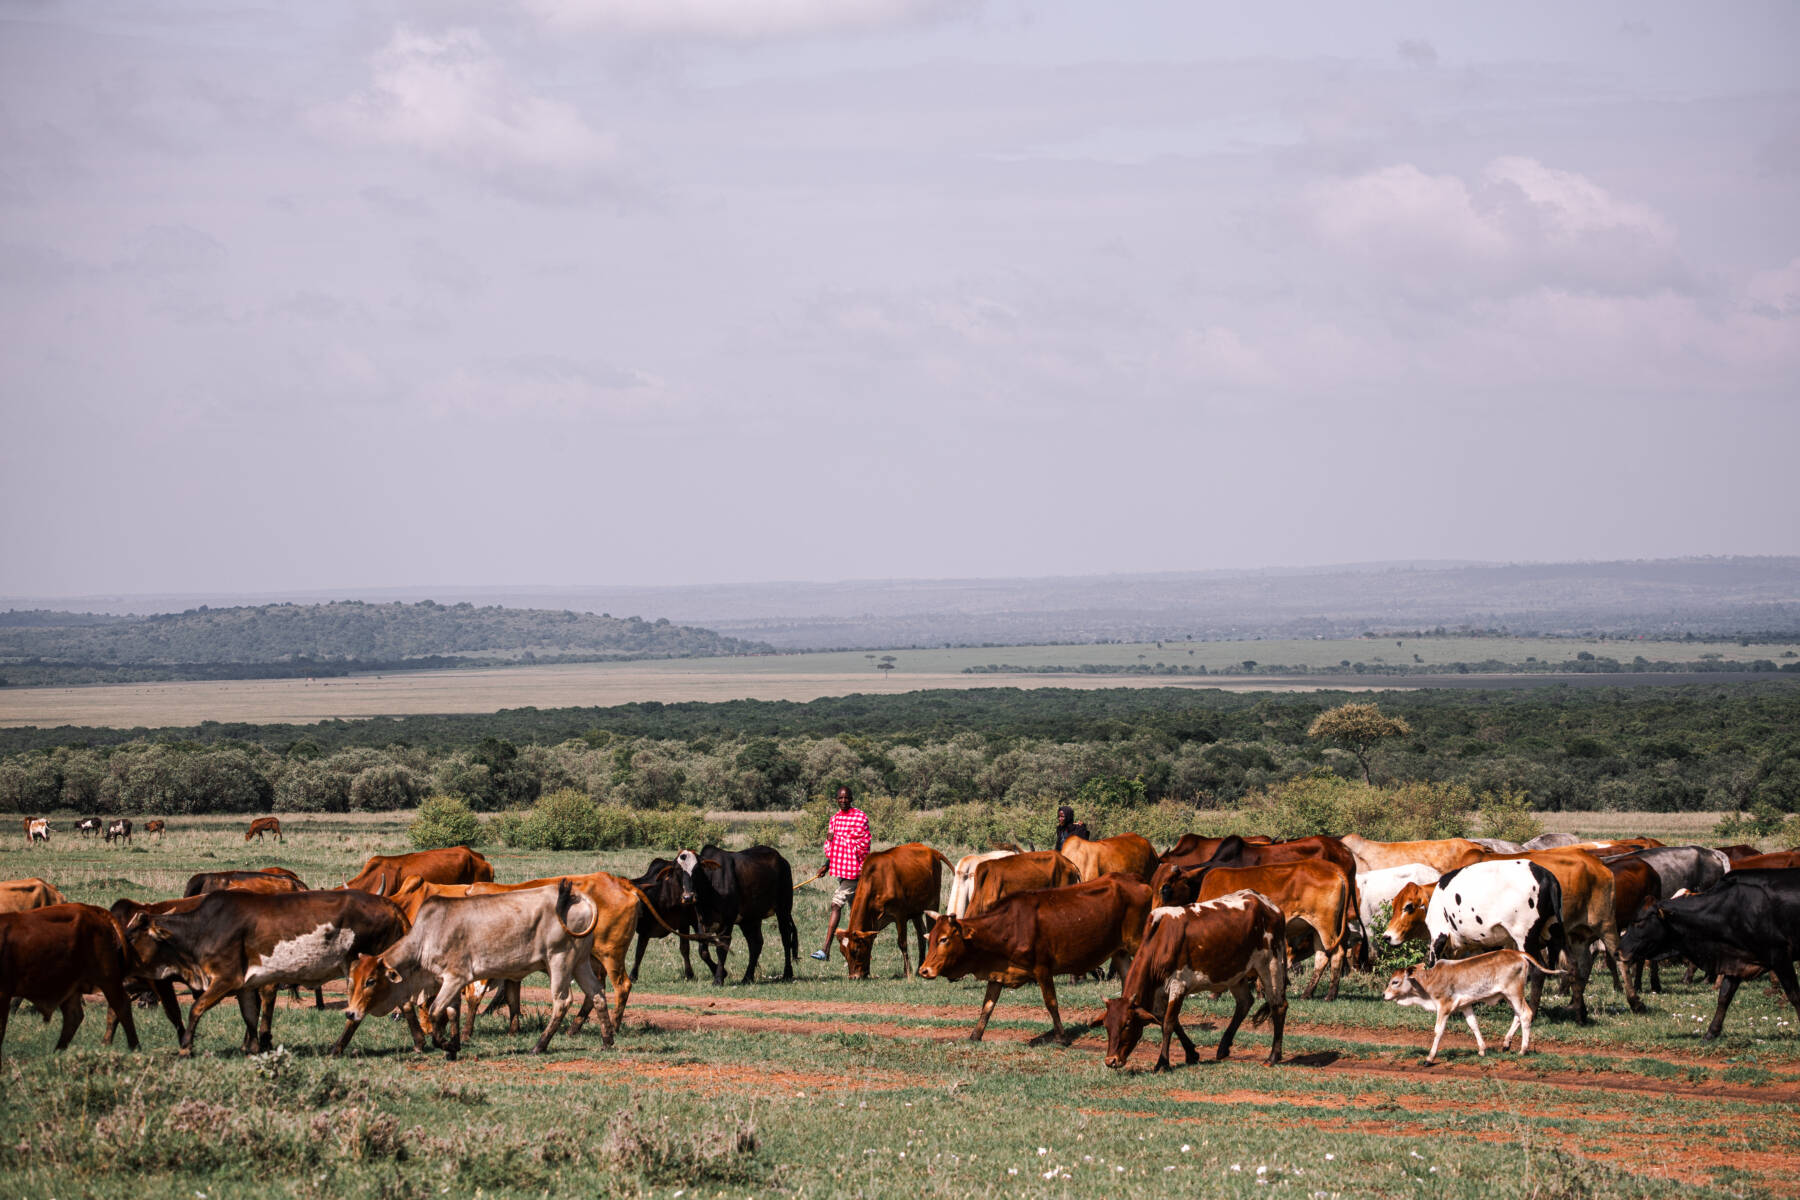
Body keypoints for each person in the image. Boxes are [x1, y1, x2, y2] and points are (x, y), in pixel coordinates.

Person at [812, 784, 872, 961]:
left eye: (846, 797)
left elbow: (864, 846)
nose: (843, 800)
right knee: (856, 915)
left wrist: (838, 839)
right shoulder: (835, 819)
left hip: (856, 872)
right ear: (836, 800)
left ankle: (825, 950)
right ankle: (861, 955)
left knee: (836, 904)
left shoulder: (860, 817)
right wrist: (826, 865)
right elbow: (831, 847)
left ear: (851, 798)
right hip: (841, 871)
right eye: (840, 798)